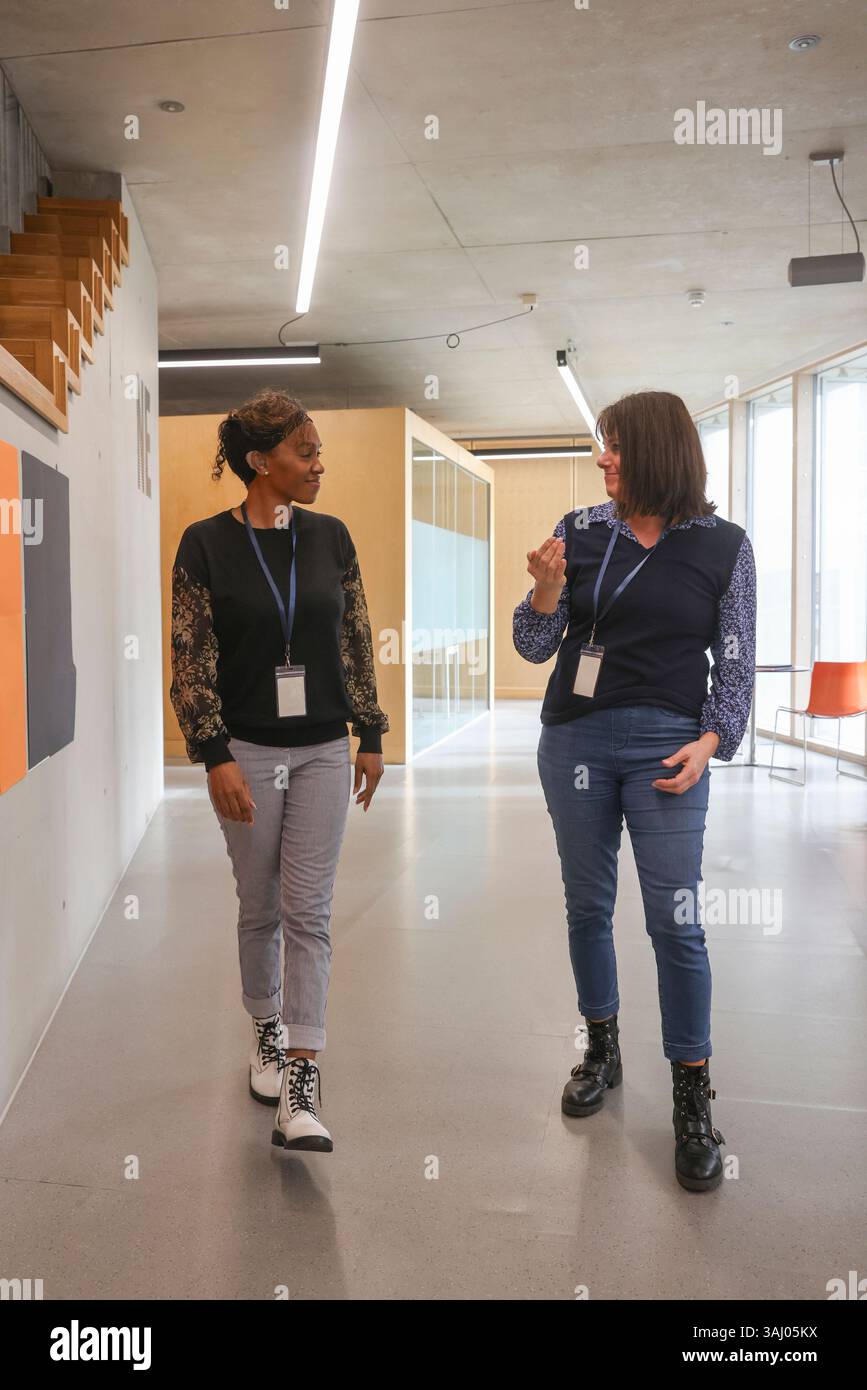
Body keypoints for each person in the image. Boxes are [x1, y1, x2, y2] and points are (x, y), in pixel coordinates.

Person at [513, 390, 756, 1192]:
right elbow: (534, 642)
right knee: (586, 905)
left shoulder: (723, 546)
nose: (600, 459)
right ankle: (601, 1049)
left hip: (667, 750)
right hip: (575, 739)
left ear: (652, 451)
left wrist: (712, 740)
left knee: (675, 921)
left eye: (612, 445)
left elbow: (736, 658)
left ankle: (691, 1100)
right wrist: (545, 592)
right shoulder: (579, 530)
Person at [169, 388, 388, 1153]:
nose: (319, 464)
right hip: (249, 752)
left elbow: (355, 640)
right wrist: (214, 752)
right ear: (261, 463)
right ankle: (264, 1030)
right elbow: (190, 661)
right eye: (305, 453)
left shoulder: (330, 537)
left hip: (326, 746)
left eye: (319, 450)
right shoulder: (203, 545)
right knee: (259, 903)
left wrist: (370, 731)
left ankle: (301, 1081)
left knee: (309, 911)